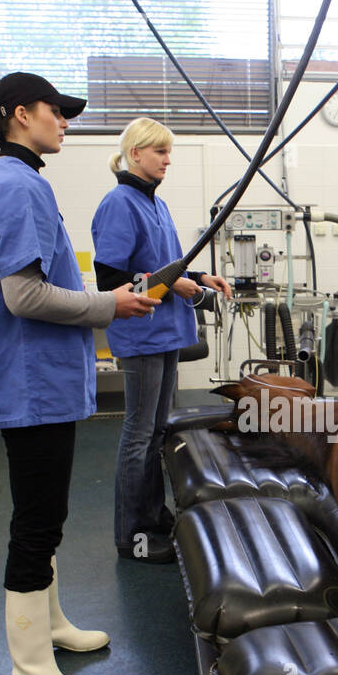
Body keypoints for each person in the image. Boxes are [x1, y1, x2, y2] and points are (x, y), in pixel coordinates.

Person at [0, 73, 158, 675]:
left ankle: (47, 628)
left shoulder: (19, 179)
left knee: (46, 516)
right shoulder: (15, 185)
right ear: (21, 115)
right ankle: (30, 672)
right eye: (58, 112)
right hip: (30, 384)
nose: (66, 123)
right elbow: (24, 296)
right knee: (37, 521)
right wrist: (110, 304)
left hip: (40, 381)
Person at [91, 117, 231, 563]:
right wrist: (174, 286)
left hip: (165, 331)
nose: (167, 160)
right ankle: (135, 535)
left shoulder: (156, 203)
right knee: (140, 434)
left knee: (158, 431)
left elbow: (159, 268)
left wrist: (197, 276)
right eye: (159, 152)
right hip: (141, 332)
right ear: (135, 154)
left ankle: (155, 517)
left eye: (169, 152)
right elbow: (113, 279)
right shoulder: (120, 203)